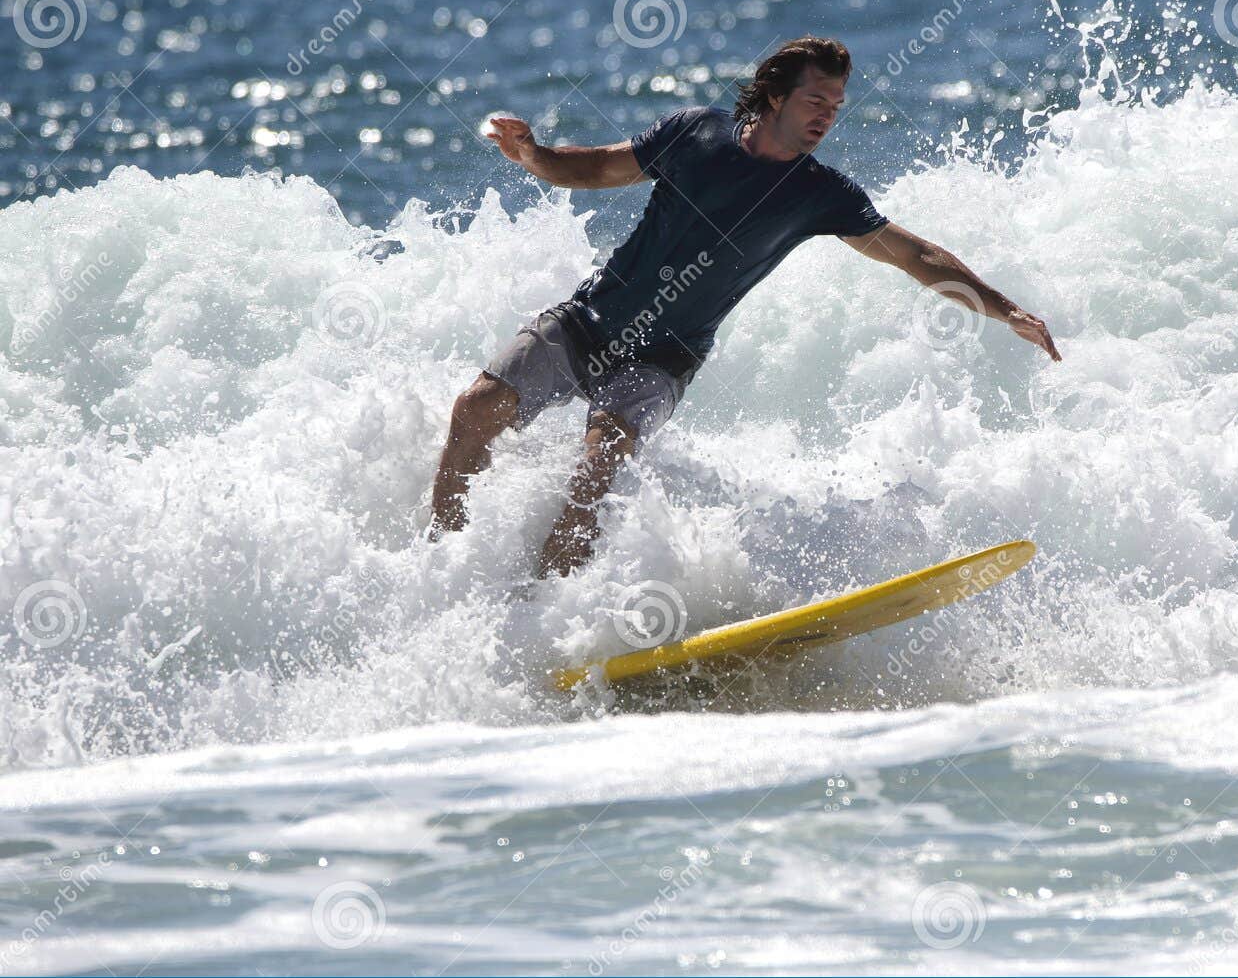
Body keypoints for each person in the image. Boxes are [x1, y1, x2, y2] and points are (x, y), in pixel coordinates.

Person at [430, 35, 1060, 577]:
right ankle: (444, 561)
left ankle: (543, 612)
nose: (826, 118)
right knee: (473, 411)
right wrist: (535, 154)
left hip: (665, 358)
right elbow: (598, 168)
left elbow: (913, 254)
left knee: (598, 467)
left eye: (836, 107)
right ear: (776, 96)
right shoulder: (694, 134)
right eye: (816, 101)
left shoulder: (819, 192)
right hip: (590, 318)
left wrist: (1005, 311)